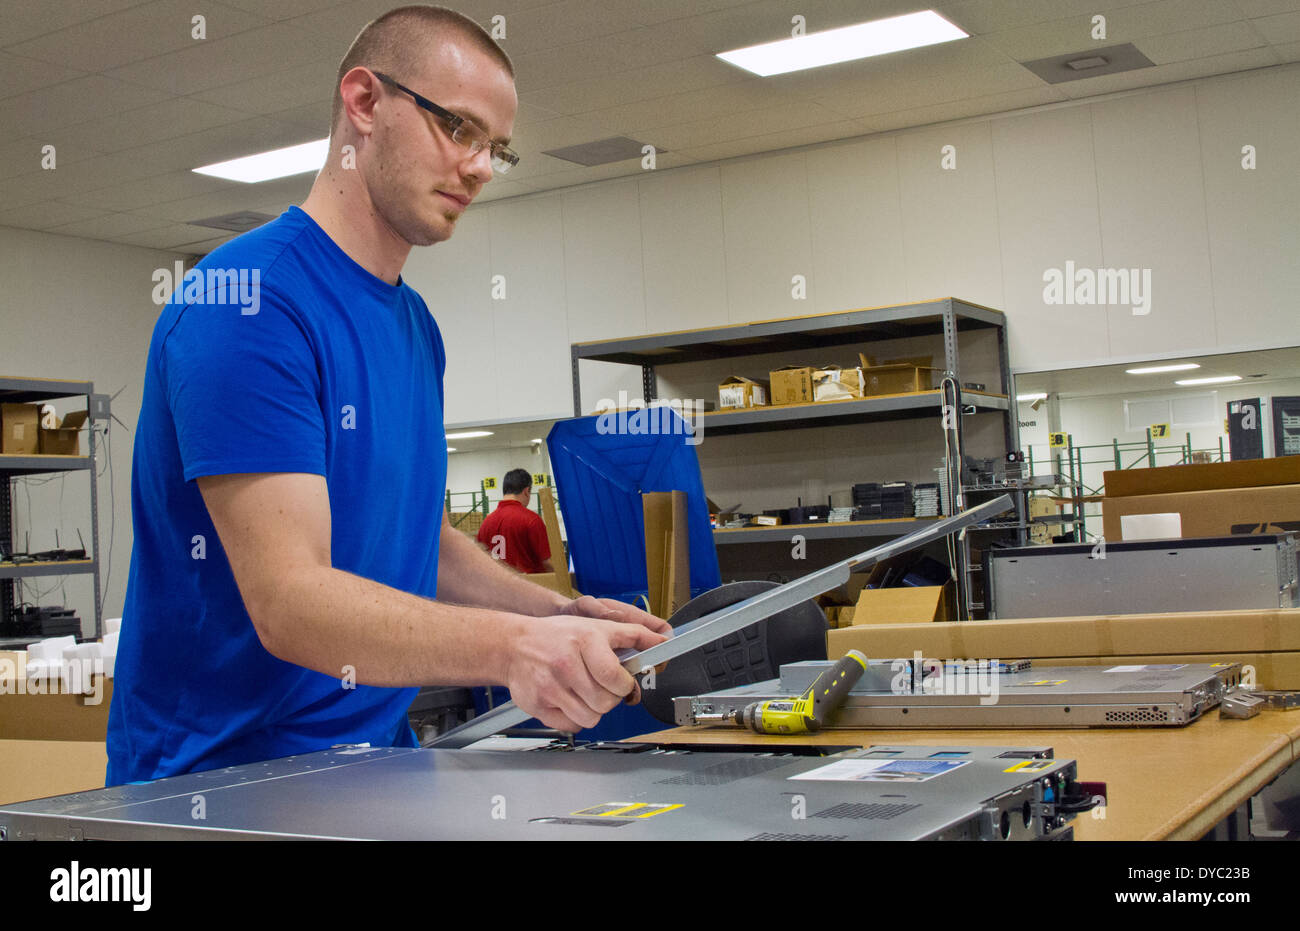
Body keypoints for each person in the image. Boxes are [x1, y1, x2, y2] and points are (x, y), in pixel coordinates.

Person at [106, 5, 669, 784]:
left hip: (370, 771)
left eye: (495, 149)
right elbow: (291, 600)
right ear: (365, 103)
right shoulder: (245, 303)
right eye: (459, 129)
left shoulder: (413, 324)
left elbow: (417, 542)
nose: (478, 167)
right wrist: (509, 648)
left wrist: (554, 613)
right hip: (220, 788)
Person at [476, 469, 552, 574]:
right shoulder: (531, 520)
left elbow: (480, 560)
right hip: (528, 586)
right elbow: (547, 563)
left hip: (495, 586)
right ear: (526, 491)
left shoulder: (486, 522)